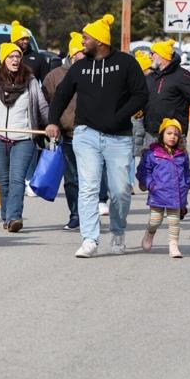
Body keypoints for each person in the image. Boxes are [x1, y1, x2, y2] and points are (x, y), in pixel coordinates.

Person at [45, 14, 149, 258]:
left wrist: (119, 115)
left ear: (100, 41)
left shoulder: (126, 64)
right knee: (88, 188)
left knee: (121, 190)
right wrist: (52, 121)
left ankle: (118, 231)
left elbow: (140, 94)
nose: (82, 42)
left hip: (119, 137)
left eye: (86, 38)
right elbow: (61, 95)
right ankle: (89, 238)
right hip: (86, 135)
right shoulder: (80, 67)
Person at [0, 41, 49, 233]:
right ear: (3, 59)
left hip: (24, 137)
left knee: (17, 179)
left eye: (17, 57)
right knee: (4, 180)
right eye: (11, 57)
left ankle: (15, 217)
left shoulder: (30, 81)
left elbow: (42, 106)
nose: (15, 60)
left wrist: (51, 125)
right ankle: (6, 217)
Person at [42, 32, 86, 230]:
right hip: (67, 135)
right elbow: (46, 105)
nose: (84, 55)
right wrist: (52, 125)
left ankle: (89, 214)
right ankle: (75, 214)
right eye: (81, 52)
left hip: (91, 134)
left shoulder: (95, 71)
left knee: (90, 179)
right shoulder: (54, 77)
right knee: (71, 179)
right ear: (72, 53)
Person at [136, 117, 190, 258]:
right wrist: (150, 184)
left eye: (176, 134)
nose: (173, 137)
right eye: (169, 133)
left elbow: (186, 173)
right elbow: (143, 171)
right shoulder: (152, 153)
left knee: (174, 222)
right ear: (162, 134)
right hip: (157, 193)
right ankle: (150, 233)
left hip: (176, 194)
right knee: (155, 220)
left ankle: (173, 246)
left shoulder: (182, 155)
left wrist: (187, 184)